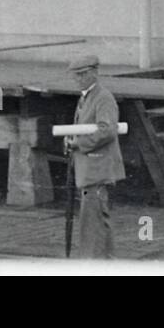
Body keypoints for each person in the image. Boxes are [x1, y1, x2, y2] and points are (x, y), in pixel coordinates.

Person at [66, 54, 125, 259]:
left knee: (94, 223)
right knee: (95, 222)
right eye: (76, 75)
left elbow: (106, 130)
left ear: (94, 73)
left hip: (97, 169)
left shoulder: (102, 97)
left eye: (83, 74)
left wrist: (79, 143)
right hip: (90, 169)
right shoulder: (86, 98)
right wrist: (72, 139)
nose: (78, 79)